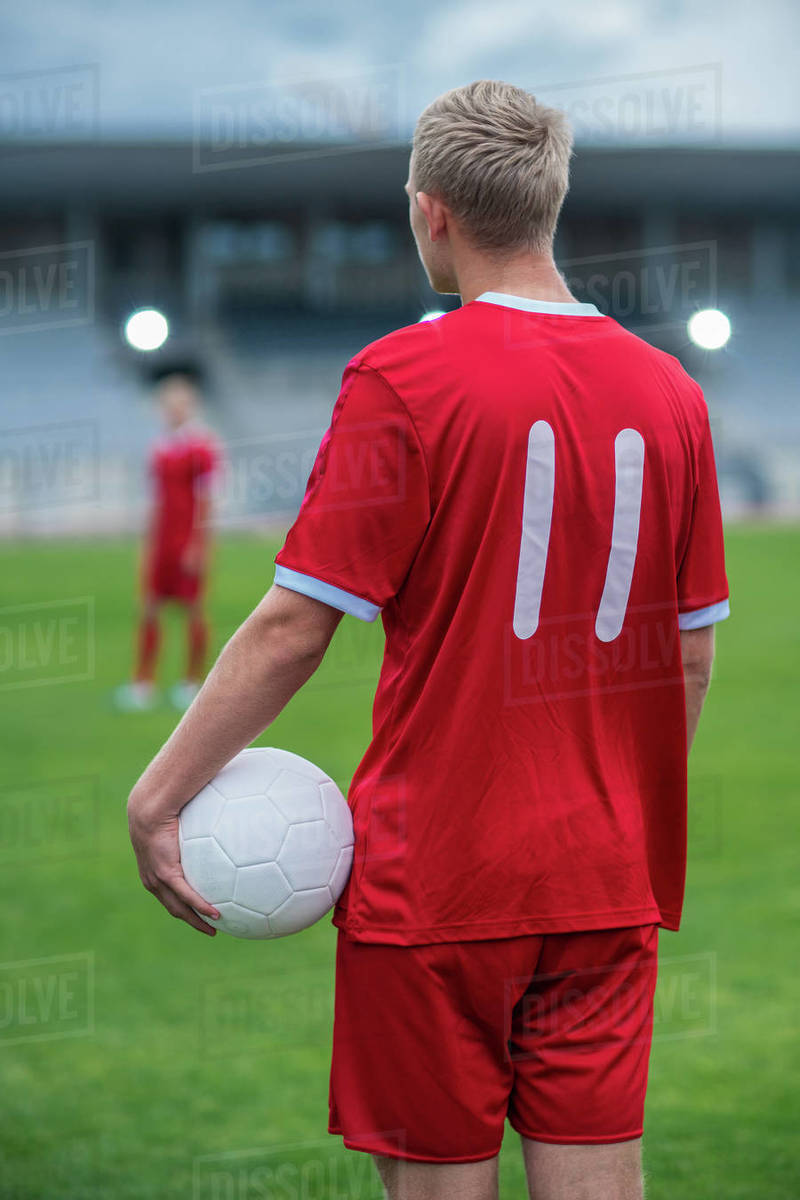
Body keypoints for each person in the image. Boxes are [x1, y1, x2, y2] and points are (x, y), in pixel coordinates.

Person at [127, 81, 729, 1200]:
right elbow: (687, 657)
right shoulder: (672, 395)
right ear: (549, 203)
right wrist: (604, 804)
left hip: (438, 883)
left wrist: (157, 796)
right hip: (604, 876)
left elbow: (294, 627)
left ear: (430, 208)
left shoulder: (399, 379)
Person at [116, 365, 219, 713]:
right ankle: (142, 682)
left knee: (193, 610)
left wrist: (197, 543)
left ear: (189, 406)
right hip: (161, 541)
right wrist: (148, 546)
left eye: (179, 403)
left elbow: (207, 500)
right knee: (149, 609)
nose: (173, 409)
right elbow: (155, 501)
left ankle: (192, 681)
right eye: (168, 403)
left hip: (185, 539)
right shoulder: (158, 449)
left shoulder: (202, 447)